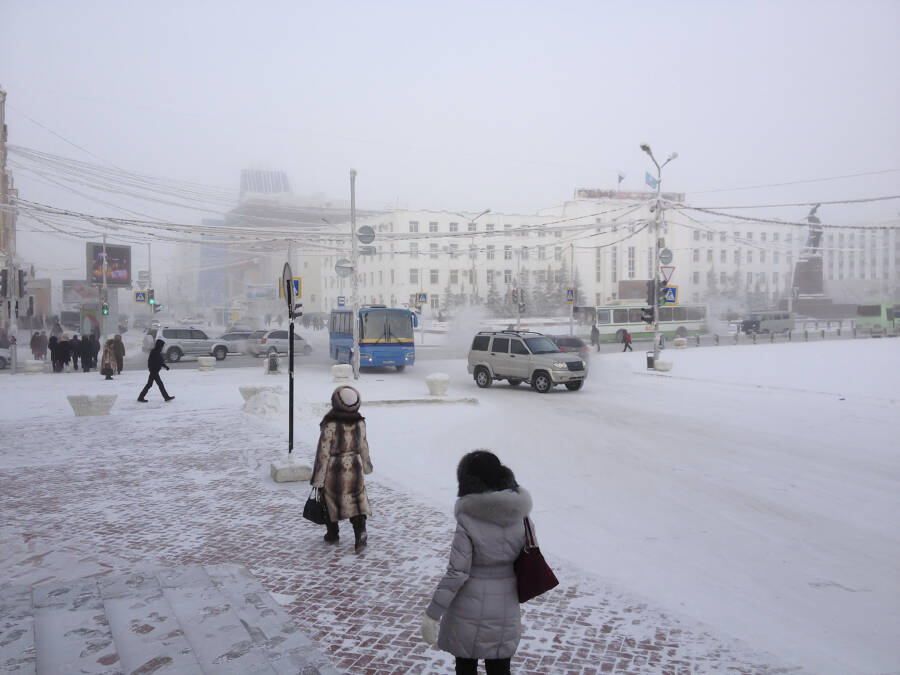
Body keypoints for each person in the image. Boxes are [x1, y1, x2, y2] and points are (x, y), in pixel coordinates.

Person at [421, 450, 531, 675]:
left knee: (465, 666)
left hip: (467, 610)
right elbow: (528, 555)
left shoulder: (468, 518)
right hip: (505, 605)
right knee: (500, 668)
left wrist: (432, 614)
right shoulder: (520, 515)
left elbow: (457, 573)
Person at [310, 385, 373, 551]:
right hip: (355, 468)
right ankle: (360, 531)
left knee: (329, 500)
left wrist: (318, 479)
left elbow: (323, 453)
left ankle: (333, 533)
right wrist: (366, 465)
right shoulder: (359, 422)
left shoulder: (330, 424)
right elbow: (364, 446)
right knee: (357, 501)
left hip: (334, 470)